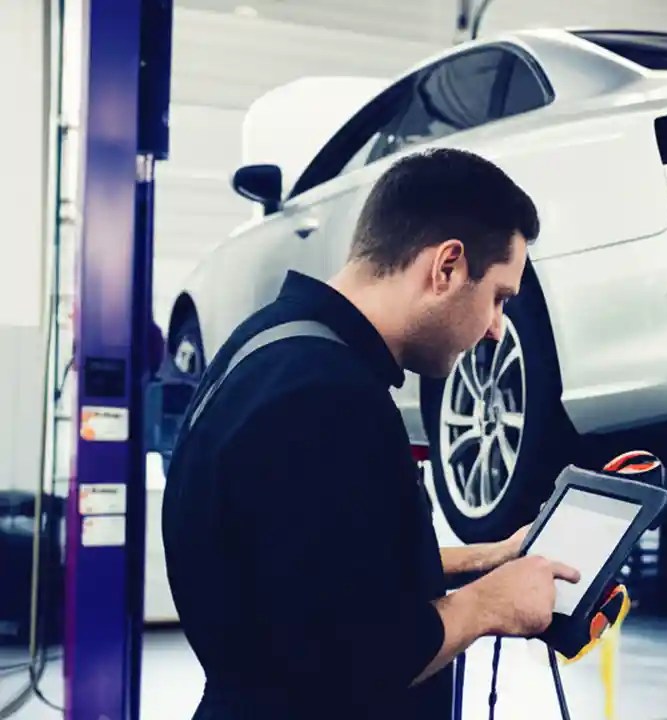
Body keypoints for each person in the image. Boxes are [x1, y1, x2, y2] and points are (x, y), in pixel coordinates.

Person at [161, 148, 580, 719]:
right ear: (447, 267)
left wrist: (487, 557)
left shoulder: (273, 346)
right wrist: (487, 605)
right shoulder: (325, 399)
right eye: (499, 297)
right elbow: (352, 655)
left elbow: (321, 562)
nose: (495, 329)